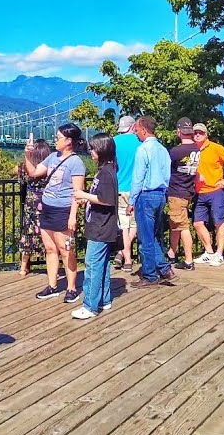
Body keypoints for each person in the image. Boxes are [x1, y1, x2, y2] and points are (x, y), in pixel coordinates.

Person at [25, 124, 87, 303]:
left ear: (68, 141)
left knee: (65, 250)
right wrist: (28, 155)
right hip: (47, 208)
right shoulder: (52, 157)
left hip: (63, 210)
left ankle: (71, 288)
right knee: (50, 249)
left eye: (58, 137)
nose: (55, 139)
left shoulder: (76, 163)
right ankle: (52, 286)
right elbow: (34, 172)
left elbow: (78, 192)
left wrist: (73, 216)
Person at [70, 134, 120, 319]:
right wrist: (87, 198)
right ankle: (104, 299)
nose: (90, 151)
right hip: (102, 225)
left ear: (101, 150)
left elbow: (106, 200)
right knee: (104, 264)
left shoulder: (106, 173)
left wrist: (83, 194)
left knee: (92, 265)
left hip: (100, 227)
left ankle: (90, 305)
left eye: (93, 148)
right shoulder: (108, 170)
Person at [129, 116, 175, 287]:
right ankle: (164, 269)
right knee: (154, 235)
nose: (135, 132)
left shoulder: (143, 150)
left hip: (146, 195)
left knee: (145, 238)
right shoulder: (163, 150)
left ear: (143, 129)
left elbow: (138, 177)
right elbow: (167, 175)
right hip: (161, 195)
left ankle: (149, 275)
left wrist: (132, 200)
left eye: (137, 129)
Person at [192, 123, 224, 267]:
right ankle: (209, 252)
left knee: (219, 222)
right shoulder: (192, 150)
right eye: (195, 133)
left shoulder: (214, 147)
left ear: (206, 134)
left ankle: (219, 254)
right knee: (197, 223)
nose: (197, 135)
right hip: (199, 192)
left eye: (200, 132)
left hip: (216, 191)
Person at [15, 138, 52, 277]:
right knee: (50, 235)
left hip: (32, 205)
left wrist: (27, 158)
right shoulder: (51, 167)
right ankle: (53, 266)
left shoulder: (26, 168)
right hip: (49, 202)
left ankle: (24, 267)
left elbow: (17, 174)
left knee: (28, 234)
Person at [167, 118, 199, 270]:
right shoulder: (196, 149)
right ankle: (172, 252)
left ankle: (188, 260)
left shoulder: (175, 151)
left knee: (183, 226)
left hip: (176, 191)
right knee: (176, 224)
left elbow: (167, 169)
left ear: (179, 132)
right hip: (188, 190)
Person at [113, 116, 141, 271]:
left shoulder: (113, 142)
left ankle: (126, 258)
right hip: (136, 190)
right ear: (133, 127)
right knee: (134, 224)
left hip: (118, 188)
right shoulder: (140, 143)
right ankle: (124, 257)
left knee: (123, 225)